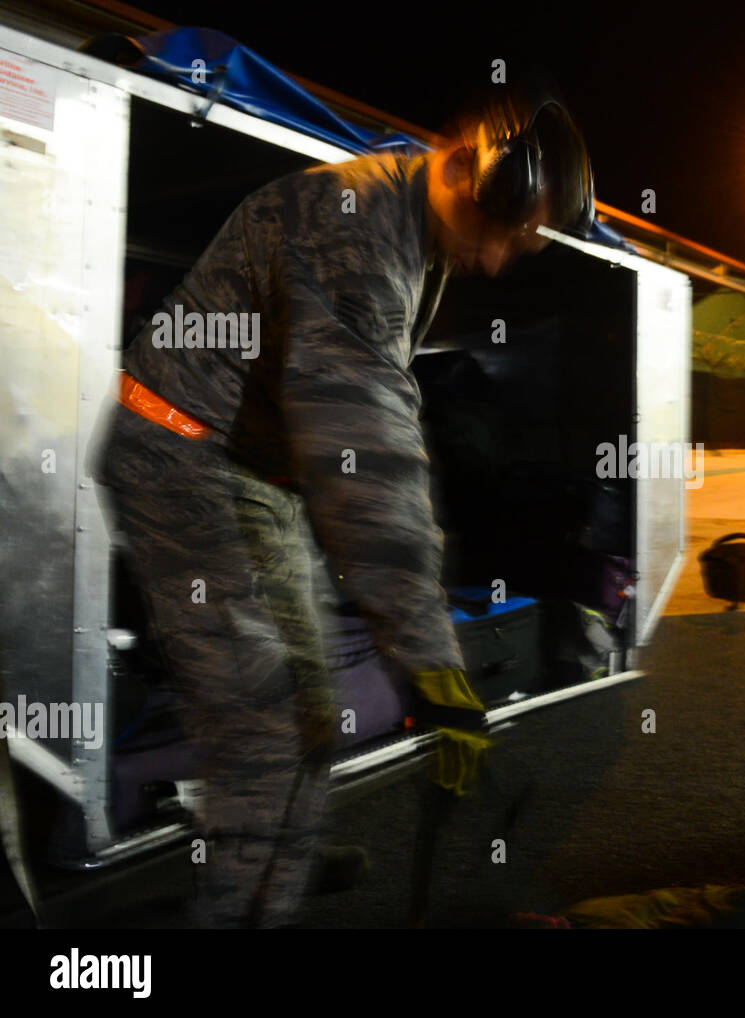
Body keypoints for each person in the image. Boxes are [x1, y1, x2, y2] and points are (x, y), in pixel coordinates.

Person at [89, 80, 595, 928]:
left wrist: (412, 625)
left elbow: (366, 438)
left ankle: (274, 853)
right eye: (507, 234)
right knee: (269, 731)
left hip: (252, 472)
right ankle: (247, 897)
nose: (502, 261)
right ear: (471, 171)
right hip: (183, 460)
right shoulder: (357, 226)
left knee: (304, 716)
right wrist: (432, 656)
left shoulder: (412, 224)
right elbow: (370, 448)